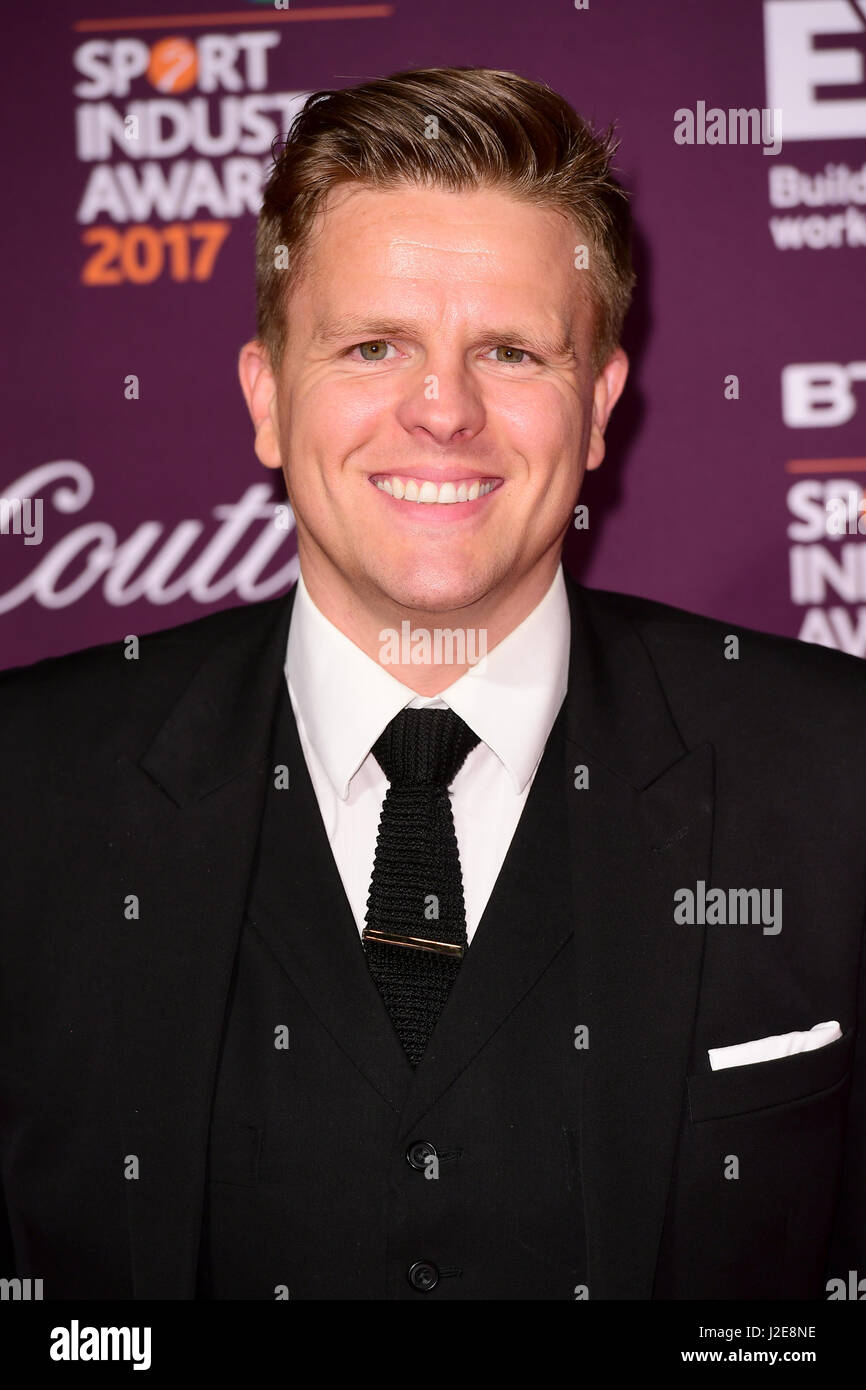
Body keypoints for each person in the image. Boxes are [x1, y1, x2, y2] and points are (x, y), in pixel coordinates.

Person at [1, 66, 864, 1302]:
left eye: (509, 351)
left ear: (598, 404)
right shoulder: (27, 786)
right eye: (371, 345)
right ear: (264, 396)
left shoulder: (834, 772)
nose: (442, 411)